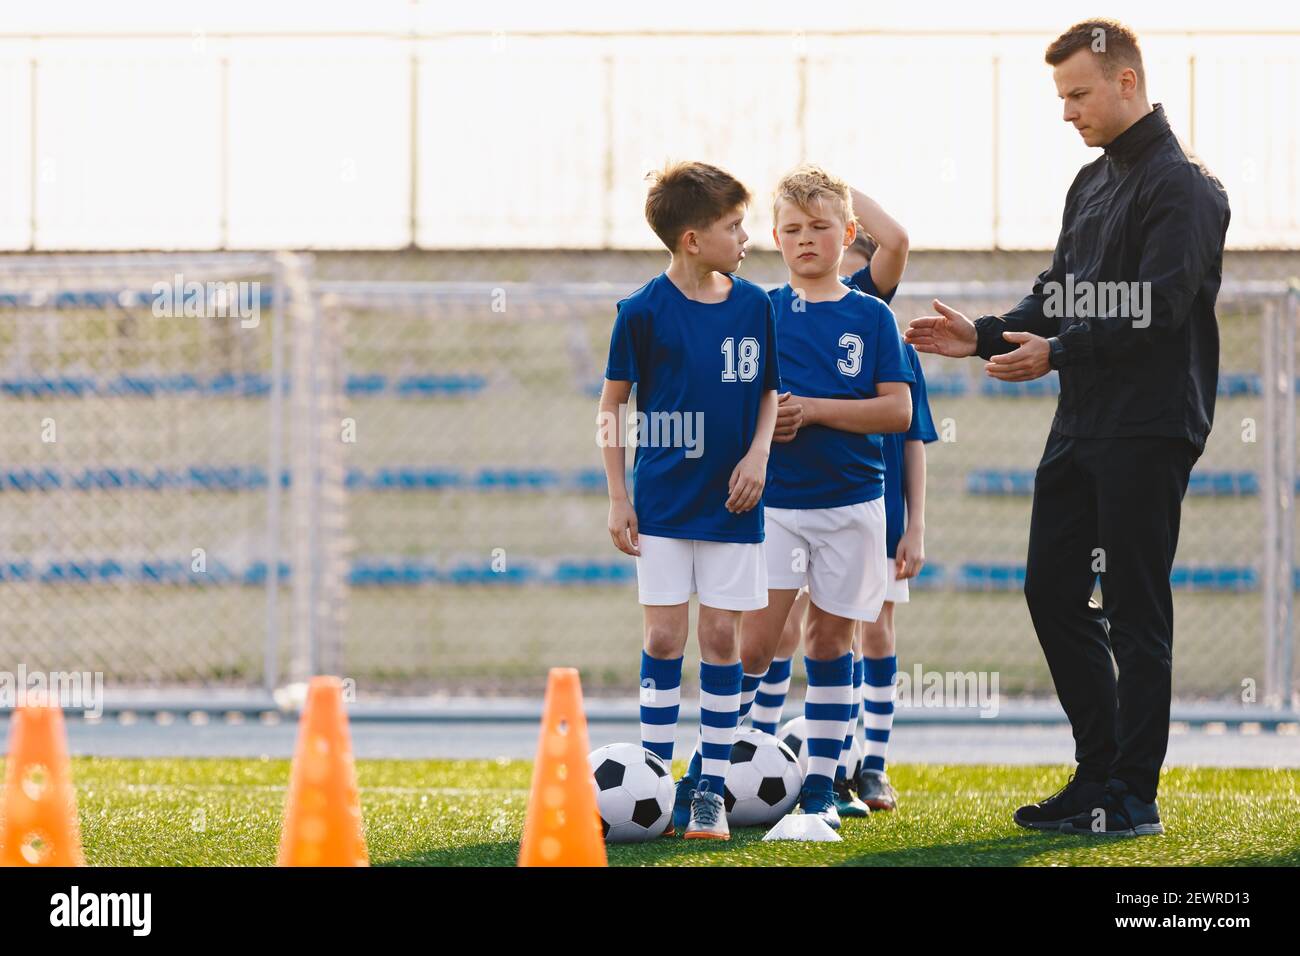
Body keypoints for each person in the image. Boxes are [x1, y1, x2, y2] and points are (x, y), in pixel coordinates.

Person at [905, 19, 1230, 837]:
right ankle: (1098, 776)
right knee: (1051, 590)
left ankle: (1133, 796)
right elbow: (1060, 294)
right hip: (1082, 421)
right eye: (1061, 97)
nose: (1067, 112)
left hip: (1149, 426)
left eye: (1078, 93)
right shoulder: (1090, 184)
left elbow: (1157, 307)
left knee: (1134, 610)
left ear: (1127, 82)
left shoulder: (1186, 185)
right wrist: (981, 334)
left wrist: (1057, 352)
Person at [705, 163, 913, 830]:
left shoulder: (872, 317)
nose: (805, 239)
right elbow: (728, 401)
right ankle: (709, 775)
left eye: (821, 227)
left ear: (847, 233)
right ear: (774, 236)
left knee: (831, 643)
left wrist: (817, 411)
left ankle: (821, 789)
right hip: (777, 508)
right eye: (791, 229)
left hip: (854, 505)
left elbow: (899, 414)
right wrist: (762, 426)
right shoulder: (758, 311)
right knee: (757, 644)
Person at [599, 160, 780, 840]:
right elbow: (613, 406)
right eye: (734, 227)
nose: (746, 238)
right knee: (664, 636)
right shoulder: (641, 312)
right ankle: (650, 772)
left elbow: (767, 391)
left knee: (719, 639)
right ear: (692, 240)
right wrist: (619, 496)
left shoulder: (755, 304)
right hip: (665, 506)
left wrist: (760, 454)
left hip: (734, 507)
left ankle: (708, 789)